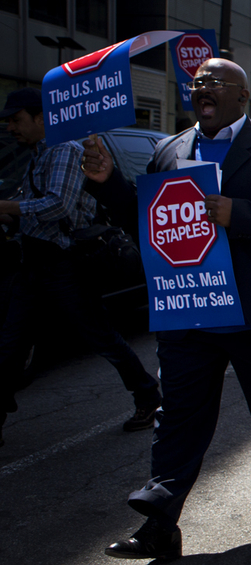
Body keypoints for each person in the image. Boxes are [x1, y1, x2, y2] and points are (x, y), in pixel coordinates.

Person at [87, 58, 251, 561]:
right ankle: (160, 520)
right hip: (190, 310)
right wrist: (108, 183)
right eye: (198, 83)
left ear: (243, 95)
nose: (204, 89)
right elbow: (147, 219)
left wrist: (239, 214)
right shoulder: (168, 150)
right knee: (177, 418)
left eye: (216, 82)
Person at [0, 88, 162, 446]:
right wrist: (11, 215)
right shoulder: (39, 154)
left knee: (100, 337)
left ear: (41, 118)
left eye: (16, 120)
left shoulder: (65, 151)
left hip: (65, 265)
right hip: (33, 264)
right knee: (9, 344)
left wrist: (7, 208)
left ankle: (148, 395)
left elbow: (57, 206)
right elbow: (32, 209)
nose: (11, 127)